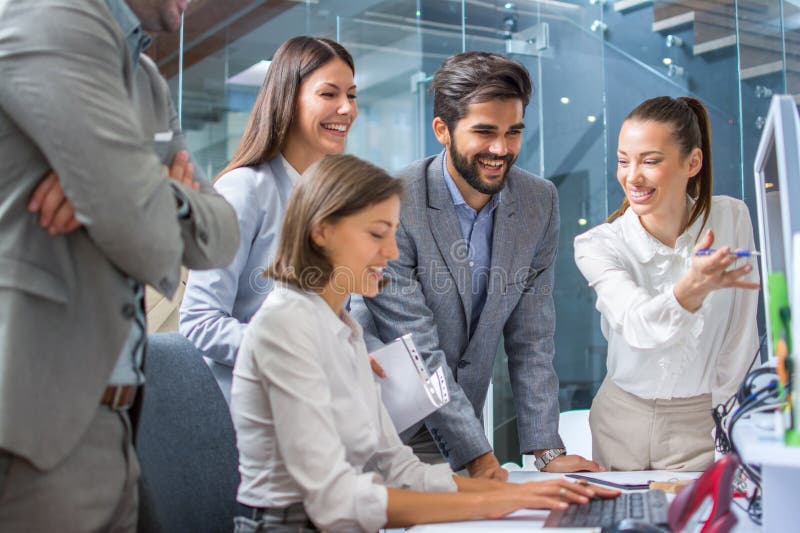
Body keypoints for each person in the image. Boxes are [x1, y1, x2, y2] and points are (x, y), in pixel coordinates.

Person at [230, 153, 617, 532]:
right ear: (322, 231)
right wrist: (495, 501)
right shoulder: (285, 326)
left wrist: (522, 491)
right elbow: (335, 501)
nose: (393, 252)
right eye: (378, 234)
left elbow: (399, 470)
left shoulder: (343, 330)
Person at [0, 1, 239, 531]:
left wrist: (132, 184)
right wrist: (136, 190)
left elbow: (221, 236)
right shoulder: (51, 17)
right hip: (36, 430)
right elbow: (142, 237)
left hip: (117, 421)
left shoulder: (147, 77)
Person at [351, 51, 600, 479]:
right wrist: (479, 455)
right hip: (379, 425)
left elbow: (533, 337)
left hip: (460, 419)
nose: (501, 149)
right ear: (442, 131)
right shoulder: (394, 201)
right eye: (484, 132)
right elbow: (417, 349)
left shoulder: (539, 202)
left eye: (513, 132)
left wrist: (546, 451)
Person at [574, 96, 760, 471]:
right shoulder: (598, 244)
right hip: (621, 421)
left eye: (650, 161)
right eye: (624, 161)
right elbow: (637, 324)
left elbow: (741, 340)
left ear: (692, 162)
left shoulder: (731, 218)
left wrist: (731, 427)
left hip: (702, 423)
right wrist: (689, 289)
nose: (632, 176)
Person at [179, 35, 357, 396]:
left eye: (351, 95)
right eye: (329, 94)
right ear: (288, 100)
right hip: (248, 413)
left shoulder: (335, 199)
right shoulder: (244, 190)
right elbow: (199, 322)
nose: (346, 108)